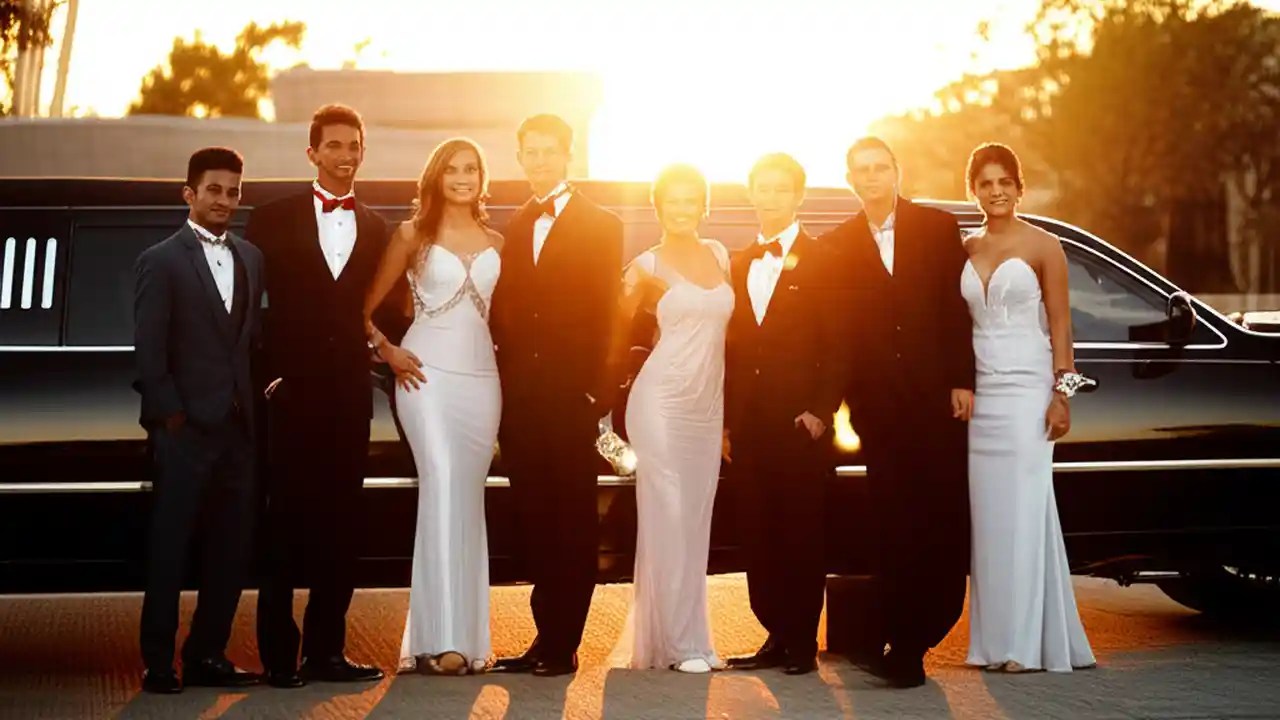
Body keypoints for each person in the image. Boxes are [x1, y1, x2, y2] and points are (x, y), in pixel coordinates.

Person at [823, 136, 975, 688]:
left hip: (938, 404)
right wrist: (848, 403)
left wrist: (962, 378)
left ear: (896, 171)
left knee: (940, 521)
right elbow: (837, 333)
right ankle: (903, 643)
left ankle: (926, 629)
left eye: (879, 168)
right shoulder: (837, 244)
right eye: (860, 170)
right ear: (850, 179)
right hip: (879, 412)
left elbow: (956, 309)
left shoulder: (936, 229)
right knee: (893, 527)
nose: (870, 177)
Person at [246, 104, 390, 688]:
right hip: (292, 395)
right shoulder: (271, 218)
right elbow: (245, 304)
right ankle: (279, 656)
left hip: (350, 395)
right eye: (334, 146)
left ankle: (327, 652)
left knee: (341, 525)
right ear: (313, 154)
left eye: (354, 145)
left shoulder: (379, 228)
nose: (346, 156)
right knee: (285, 524)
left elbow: (383, 310)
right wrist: (271, 378)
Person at [362, 137, 503, 676]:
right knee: (441, 489)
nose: (463, 178)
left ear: (481, 177)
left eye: (472, 168)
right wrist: (387, 350)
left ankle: (467, 641)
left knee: (468, 500)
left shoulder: (498, 241)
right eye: (452, 170)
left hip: (482, 383)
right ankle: (438, 639)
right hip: (427, 381)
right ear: (436, 178)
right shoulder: (411, 236)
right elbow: (361, 309)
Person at [489, 114, 623, 677]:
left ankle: (565, 643)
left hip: (573, 401)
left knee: (573, 524)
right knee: (536, 522)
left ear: (569, 157)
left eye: (550, 151)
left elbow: (610, 313)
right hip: (521, 402)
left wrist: (596, 394)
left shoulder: (603, 223)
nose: (540, 161)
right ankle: (544, 638)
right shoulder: (514, 222)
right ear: (520, 157)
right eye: (531, 152)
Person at [961, 143, 1096, 673]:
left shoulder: (1046, 246)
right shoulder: (965, 249)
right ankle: (992, 643)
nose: (995, 192)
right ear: (972, 190)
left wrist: (1064, 394)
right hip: (982, 395)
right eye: (985, 183)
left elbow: (1063, 327)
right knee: (990, 519)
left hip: (1028, 390)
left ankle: (1023, 645)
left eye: (1004, 182)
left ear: (1020, 188)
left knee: (1024, 512)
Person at [133, 147, 263, 694]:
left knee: (230, 550)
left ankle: (208, 653)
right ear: (190, 194)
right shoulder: (160, 260)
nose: (224, 201)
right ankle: (159, 664)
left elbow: (250, 342)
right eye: (213, 190)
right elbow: (149, 353)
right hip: (184, 431)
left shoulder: (253, 258)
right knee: (171, 548)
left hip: (239, 429)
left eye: (233, 191)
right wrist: (174, 418)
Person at [723, 153, 849, 676]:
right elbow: (729, 349)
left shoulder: (826, 259)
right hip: (748, 426)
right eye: (762, 188)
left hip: (800, 425)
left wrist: (821, 411)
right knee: (759, 534)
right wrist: (727, 422)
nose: (770, 197)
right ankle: (774, 632)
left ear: (798, 196)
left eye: (781, 189)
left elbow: (840, 344)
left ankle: (801, 641)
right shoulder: (735, 262)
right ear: (750, 193)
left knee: (801, 535)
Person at [610, 164, 733, 674]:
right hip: (658, 403)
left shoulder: (721, 255)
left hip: (706, 408)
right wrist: (601, 403)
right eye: (672, 201)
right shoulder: (644, 266)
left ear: (704, 205)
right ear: (657, 206)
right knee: (670, 514)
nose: (682, 209)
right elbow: (611, 335)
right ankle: (679, 645)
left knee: (696, 518)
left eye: (692, 200)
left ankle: (691, 638)